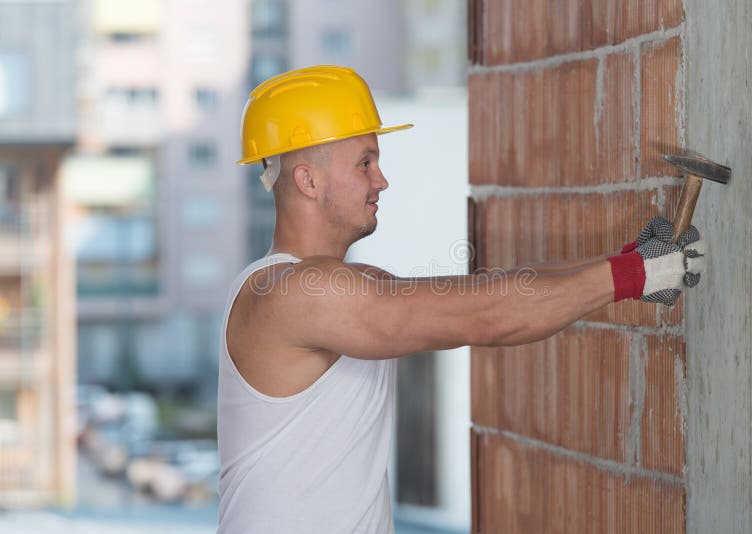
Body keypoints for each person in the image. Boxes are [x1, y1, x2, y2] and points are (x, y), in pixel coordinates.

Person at [216, 65, 706, 534]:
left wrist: (628, 260)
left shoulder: (335, 286)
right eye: (365, 162)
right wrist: (633, 274)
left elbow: (488, 291)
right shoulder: (293, 294)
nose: (381, 180)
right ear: (308, 180)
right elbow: (486, 316)